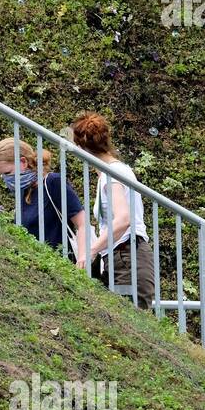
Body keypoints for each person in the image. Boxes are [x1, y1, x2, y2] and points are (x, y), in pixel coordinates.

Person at [71, 111, 156, 309]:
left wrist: (91, 250)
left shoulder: (113, 174)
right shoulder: (114, 172)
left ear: (81, 147)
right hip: (123, 255)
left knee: (134, 326)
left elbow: (123, 219)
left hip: (126, 256)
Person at [0, 137, 89, 264]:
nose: (6, 179)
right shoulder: (24, 192)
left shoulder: (53, 182)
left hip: (62, 267)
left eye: (8, 173)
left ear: (23, 162)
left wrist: (83, 260)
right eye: (2, 175)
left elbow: (82, 224)